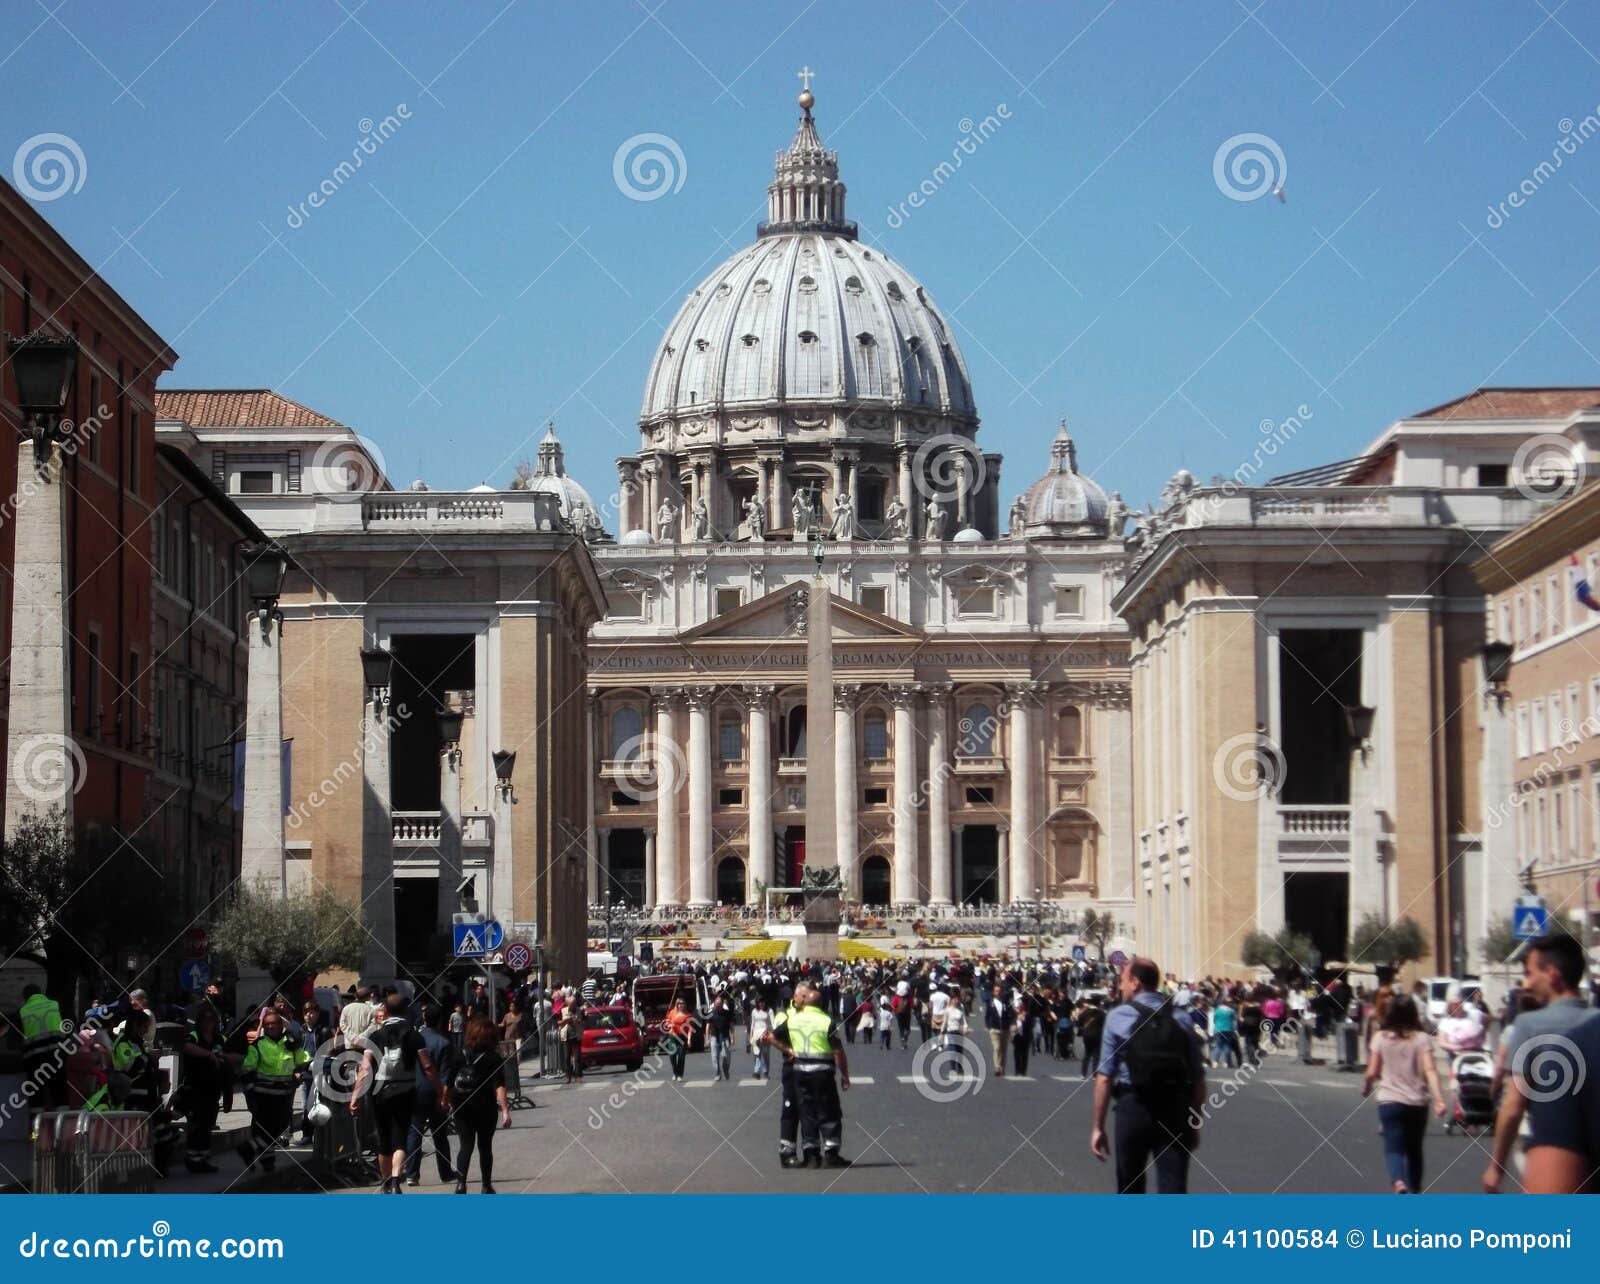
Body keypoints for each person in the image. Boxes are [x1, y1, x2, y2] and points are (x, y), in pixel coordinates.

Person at [1484, 932, 1592, 1193]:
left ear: (1553, 974)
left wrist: (1496, 1167)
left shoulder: (1528, 1025)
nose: (1528, 983)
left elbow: (1513, 1106)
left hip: (1553, 1154)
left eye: (1531, 973)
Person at [1090, 957, 1205, 1195]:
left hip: (1133, 1107)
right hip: (1174, 1110)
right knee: (1173, 1187)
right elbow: (1199, 1079)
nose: (1119, 987)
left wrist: (1098, 1127)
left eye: (1122, 981)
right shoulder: (1181, 1018)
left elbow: (1104, 1077)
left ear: (1135, 982)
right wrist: (1194, 1123)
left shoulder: (1118, 1017)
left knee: (1130, 1186)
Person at [352, 993, 444, 1194]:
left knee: (383, 1140)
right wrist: (440, 1091)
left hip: (379, 1092)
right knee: (400, 1138)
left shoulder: (375, 1036)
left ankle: (385, 1183)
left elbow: (365, 1069)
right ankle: (395, 1180)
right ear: (405, 1010)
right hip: (406, 1090)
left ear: (385, 1010)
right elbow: (428, 1067)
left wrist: (355, 1097)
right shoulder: (414, 1035)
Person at [1361, 993, 1445, 1193]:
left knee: (1393, 1147)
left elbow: (1372, 1071)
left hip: (1389, 1100)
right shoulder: (1422, 1039)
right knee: (1414, 1149)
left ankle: (1398, 1181)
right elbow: (1430, 1070)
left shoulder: (1380, 1038)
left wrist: (1366, 1086)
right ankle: (1415, 1190)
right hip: (1417, 1101)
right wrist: (1439, 1099)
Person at [765, 984, 851, 1168]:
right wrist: (845, 1075)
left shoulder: (793, 1020)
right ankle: (831, 1152)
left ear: (805, 1000)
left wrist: (788, 1050)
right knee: (829, 1111)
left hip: (799, 1072)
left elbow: (769, 1036)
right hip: (823, 1073)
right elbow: (838, 1051)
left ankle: (811, 1155)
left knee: (807, 1114)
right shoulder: (826, 1021)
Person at [238, 1008, 309, 1173]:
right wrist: (249, 1093)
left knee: (279, 1127)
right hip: (263, 1096)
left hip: (284, 1096)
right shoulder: (258, 1045)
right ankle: (267, 1161)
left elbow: (304, 1059)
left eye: (275, 1024)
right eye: (268, 1024)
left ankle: (249, 1149)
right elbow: (248, 1069)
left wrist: (307, 1068)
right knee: (263, 1129)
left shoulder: (290, 1044)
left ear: (280, 1025)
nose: (271, 1027)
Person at [450, 1016, 512, 1193]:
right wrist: (505, 1110)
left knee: (465, 1146)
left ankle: (461, 1183)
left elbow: (449, 1080)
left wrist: (446, 1101)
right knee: (485, 1147)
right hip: (485, 1106)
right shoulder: (493, 1058)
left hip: (461, 1104)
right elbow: (499, 1085)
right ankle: (486, 1185)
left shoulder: (458, 1053)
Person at [405, 1005, 458, 1188]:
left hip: (415, 1089)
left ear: (424, 1019)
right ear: (441, 1020)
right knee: (440, 1133)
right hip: (435, 1091)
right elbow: (445, 1075)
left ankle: (411, 1174)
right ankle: (445, 1172)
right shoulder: (443, 1042)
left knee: (415, 1132)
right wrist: (444, 1096)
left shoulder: (413, 1039)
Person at [181, 1004, 230, 1173]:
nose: (208, 1022)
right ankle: (192, 1160)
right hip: (195, 1089)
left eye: (212, 1018)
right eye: (205, 1018)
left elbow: (234, 1055)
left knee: (208, 1124)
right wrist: (209, 1055)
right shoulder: (194, 1036)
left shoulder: (220, 1039)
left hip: (214, 1089)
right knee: (196, 1125)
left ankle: (202, 1160)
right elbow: (186, 1048)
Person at [17, 984, 70, 1113]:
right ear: (40, 993)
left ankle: (36, 1132)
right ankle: (62, 1128)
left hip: (33, 1060)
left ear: (26, 997)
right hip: (56, 1056)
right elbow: (68, 1027)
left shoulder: (22, 1011)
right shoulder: (55, 1005)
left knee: (36, 1098)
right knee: (59, 1092)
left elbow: (16, 1041)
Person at [661, 997, 693, 1082]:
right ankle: (675, 1072)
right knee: (672, 1056)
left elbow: (689, 1029)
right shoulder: (672, 1012)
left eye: (683, 1003)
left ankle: (680, 1075)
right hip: (672, 1036)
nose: (681, 1005)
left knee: (681, 1057)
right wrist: (669, 1025)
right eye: (679, 1003)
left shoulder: (688, 1015)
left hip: (682, 1037)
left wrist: (689, 1040)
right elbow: (667, 1022)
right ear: (677, 1004)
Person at [985, 983, 1013, 1077]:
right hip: (994, 1028)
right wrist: (989, 1026)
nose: (998, 992)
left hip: (1005, 1028)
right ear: (993, 992)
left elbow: (1011, 1013)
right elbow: (987, 1015)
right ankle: (997, 1067)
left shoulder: (1006, 1001)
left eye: (999, 991)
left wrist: (1011, 1023)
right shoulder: (990, 1002)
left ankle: (1002, 1068)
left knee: (1004, 1050)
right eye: (996, 991)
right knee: (996, 1048)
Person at [705, 993, 733, 1081]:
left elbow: (731, 1026)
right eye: (716, 1005)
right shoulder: (711, 1013)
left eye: (719, 1005)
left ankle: (726, 1069)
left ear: (722, 1004)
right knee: (714, 1057)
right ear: (714, 1004)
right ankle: (717, 1074)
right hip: (714, 1037)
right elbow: (708, 1026)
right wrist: (707, 1038)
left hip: (725, 1037)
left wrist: (732, 1038)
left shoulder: (727, 1013)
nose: (718, 1006)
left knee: (726, 1056)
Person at [1077, 999, 1104, 1080]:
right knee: (1096, 1056)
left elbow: (1079, 1023)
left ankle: (1083, 1074)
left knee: (1087, 1054)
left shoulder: (1085, 1012)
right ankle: (1095, 1075)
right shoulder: (1101, 1013)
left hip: (1087, 1035)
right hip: (1097, 1035)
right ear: (1099, 1003)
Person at [560, 997, 585, 1083]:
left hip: (576, 1036)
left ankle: (578, 1076)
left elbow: (584, 1022)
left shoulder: (579, 1010)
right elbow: (558, 1023)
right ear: (567, 1004)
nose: (573, 1007)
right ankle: (568, 1076)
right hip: (566, 1036)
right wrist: (566, 1020)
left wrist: (577, 1020)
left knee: (577, 1057)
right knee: (567, 1058)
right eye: (571, 1005)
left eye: (574, 1004)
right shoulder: (563, 1011)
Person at [748, 997, 773, 1080]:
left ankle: (766, 1072)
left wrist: (771, 1034)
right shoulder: (754, 1011)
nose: (761, 1004)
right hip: (756, 1034)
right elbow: (752, 1025)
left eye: (762, 1002)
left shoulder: (769, 1011)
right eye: (759, 1002)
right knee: (757, 1054)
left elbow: (773, 1024)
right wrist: (750, 1037)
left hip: (765, 1034)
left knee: (765, 1054)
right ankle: (756, 1072)